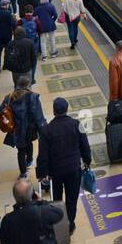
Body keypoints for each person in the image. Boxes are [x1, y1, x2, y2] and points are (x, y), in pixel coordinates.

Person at [36, 97, 91, 234]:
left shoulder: (46, 130)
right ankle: (70, 223)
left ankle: (59, 224)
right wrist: (87, 161)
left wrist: (43, 173)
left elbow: (43, 154)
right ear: (67, 110)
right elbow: (85, 146)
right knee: (72, 199)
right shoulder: (76, 124)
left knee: (57, 199)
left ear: (54, 111)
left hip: (56, 171)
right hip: (73, 169)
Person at [0, 77, 46, 177]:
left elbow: (0, 110)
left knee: (20, 151)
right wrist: (43, 130)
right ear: (28, 86)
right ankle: (29, 160)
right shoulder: (32, 97)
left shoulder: (9, 97)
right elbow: (38, 117)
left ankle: (23, 173)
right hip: (29, 129)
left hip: (16, 130)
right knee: (29, 143)